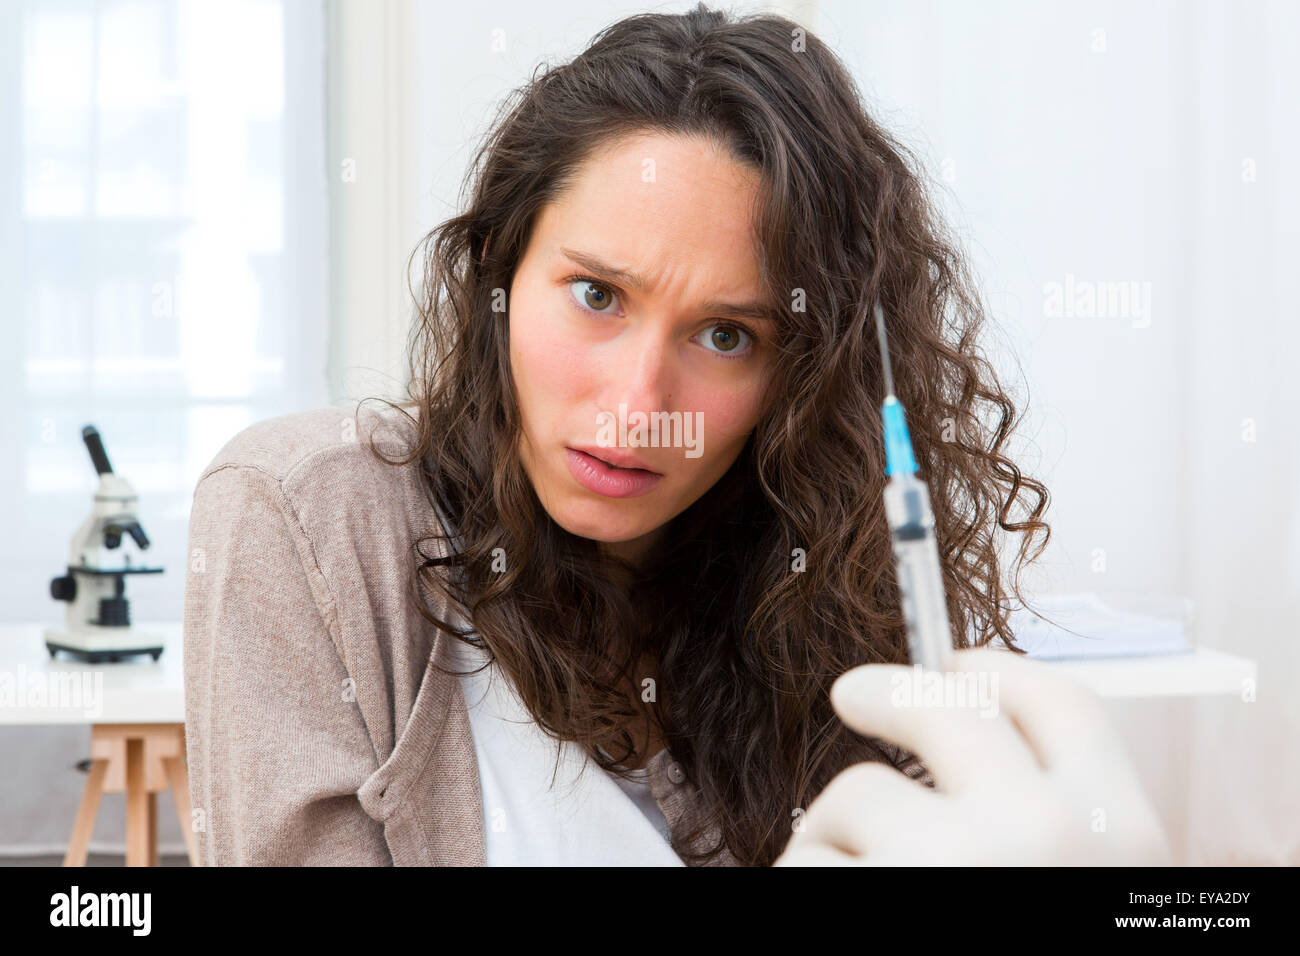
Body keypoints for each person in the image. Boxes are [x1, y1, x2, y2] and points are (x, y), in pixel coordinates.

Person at [183, 3, 1170, 867]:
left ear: (804, 375)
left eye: (726, 333)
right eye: (597, 294)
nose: (637, 400)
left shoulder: (815, 588)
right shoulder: (303, 515)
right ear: (497, 271)